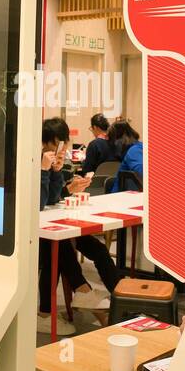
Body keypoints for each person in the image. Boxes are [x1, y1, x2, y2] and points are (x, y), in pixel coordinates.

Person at [39, 117, 111, 335]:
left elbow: (52, 198)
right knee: (57, 247)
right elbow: (40, 203)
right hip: (33, 234)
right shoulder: (32, 160)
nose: (61, 150)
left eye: (64, 145)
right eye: (58, 145)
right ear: (47, 143)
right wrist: (45, 171)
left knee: (95, 248)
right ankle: (81, 293)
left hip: (54, 224)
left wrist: (57, 173)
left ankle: (116, 298)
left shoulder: (55, 161)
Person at [106, 120, 143, 193]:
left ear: (116, 140)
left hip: (122, 199)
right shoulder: (138, 148)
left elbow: (143, 173)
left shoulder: (134, 151)